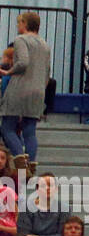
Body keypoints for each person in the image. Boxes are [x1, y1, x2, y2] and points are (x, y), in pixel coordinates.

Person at [0, 12, 52, 164]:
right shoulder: (44, 44)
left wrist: (8, 72)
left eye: (19, 23)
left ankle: (20, 158)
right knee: (30, 131)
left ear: (24, 23)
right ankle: (31, 163)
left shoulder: (20, 40)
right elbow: (47, 72)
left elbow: (23, 62)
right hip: (38, 91)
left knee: (7, 128)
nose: (18, 26)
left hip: (20, 88)